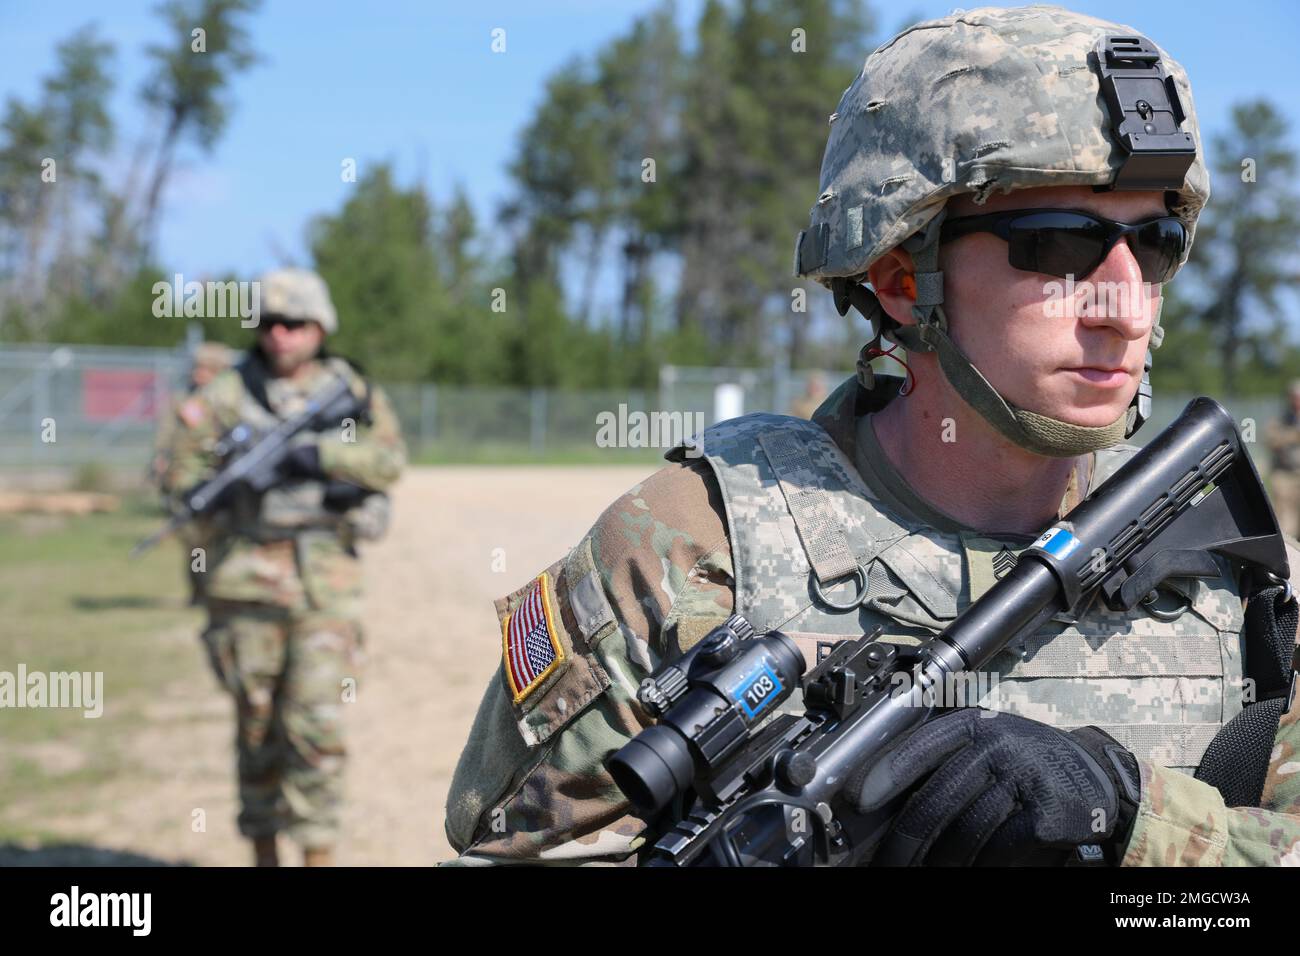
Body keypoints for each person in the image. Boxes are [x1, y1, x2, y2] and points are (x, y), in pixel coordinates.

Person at [444, 5, 1300, 866]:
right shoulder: (689, 546)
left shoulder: (1243, 574)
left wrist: (1134, 822)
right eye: (1061, 245)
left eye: (1153, 242)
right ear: (900, 278)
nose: (1125, 305)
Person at [163, 268, 406, 866]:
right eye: (268, 323)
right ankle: (264, 856)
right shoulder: (224, 396)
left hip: (325, 588)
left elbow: (389, 461)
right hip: (245, 586)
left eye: (294, 324)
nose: (280, 336)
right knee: (256, 731)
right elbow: (180, 481)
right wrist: (222, 497)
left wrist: (315, 455)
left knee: (317, 732)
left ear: (320, 326)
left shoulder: (350, 389)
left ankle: (318, 857)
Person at [151, 341, 235, 605]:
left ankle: (212, 589)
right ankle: (200, 591)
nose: (198, 372)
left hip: (210, 481)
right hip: (182, 481)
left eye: (205, 368)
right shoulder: (184, 399)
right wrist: (161, 459)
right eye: (197, 367)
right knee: (193, 542)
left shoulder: (227, 401)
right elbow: (169, 436)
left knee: (209, 541)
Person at [1266, 381, 1300, 538]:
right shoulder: (1281, 420)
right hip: (1285, 476)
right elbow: (1271, 440)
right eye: (1295, 397)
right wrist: (1292, 435)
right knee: (1287, 525)